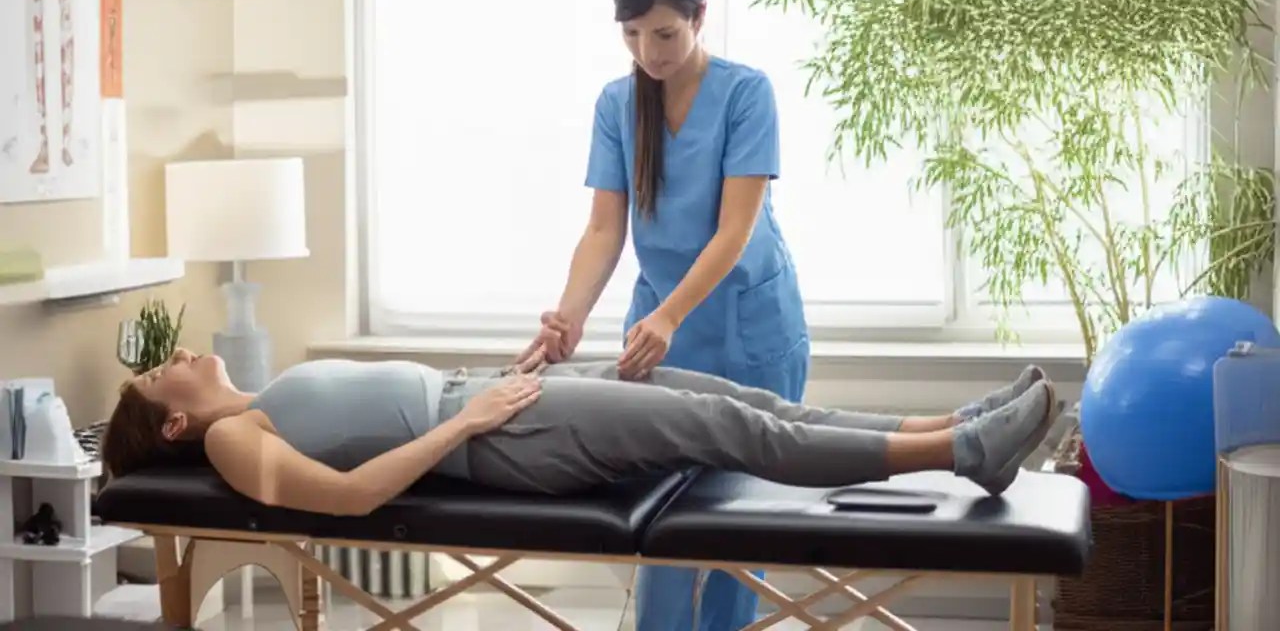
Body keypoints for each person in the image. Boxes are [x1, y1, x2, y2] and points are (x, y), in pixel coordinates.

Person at [514, 0, 815, 631]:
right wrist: (569, 316)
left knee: (739, 524)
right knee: (663, 523)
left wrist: (672, 316)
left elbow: (734, 230)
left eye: (665, 33)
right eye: (634, 34)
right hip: (658, 332)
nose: (651, 51)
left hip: (749, 328)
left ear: (700, 15)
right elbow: (602, 232)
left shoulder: (747, 94)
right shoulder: (617, 106)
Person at [101, 348, 1062, 520]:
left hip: (499, 402)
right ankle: (962, 455)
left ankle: (960, 422)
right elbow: (353, 495)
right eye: (160, 372)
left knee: (746, 399)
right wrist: (469, 419)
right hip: (500, 438)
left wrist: (496, 379)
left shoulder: (264, 392)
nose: (178, 350)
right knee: (723, 426)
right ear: (176, 421)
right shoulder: (234, 439)